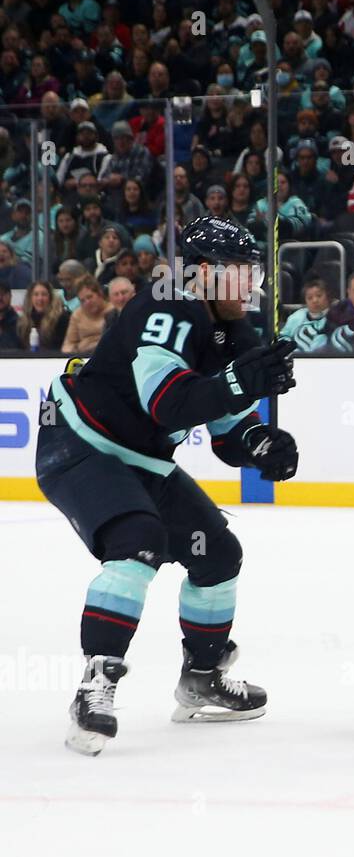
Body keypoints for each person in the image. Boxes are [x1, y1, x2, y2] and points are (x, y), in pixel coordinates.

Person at [34, 216, 299, 756]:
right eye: (239, 272)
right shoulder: (167, 303)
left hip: (142, 461)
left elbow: (227, 434)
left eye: (253, 272)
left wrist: (264, 444)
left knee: (219, 554)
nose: (251, 284)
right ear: (202, 273)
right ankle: (95, 687)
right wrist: (238, 381)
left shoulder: (232, 332)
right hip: (80, 445)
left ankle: (201, 678)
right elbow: (169, 403)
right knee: (138, 540)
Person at [17, 280, 70, 351]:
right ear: (30, 298)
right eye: (36, 294)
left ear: (50, 298)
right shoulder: (23, 321)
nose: (40, 298)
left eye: (44, 294)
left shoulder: (61, 318)